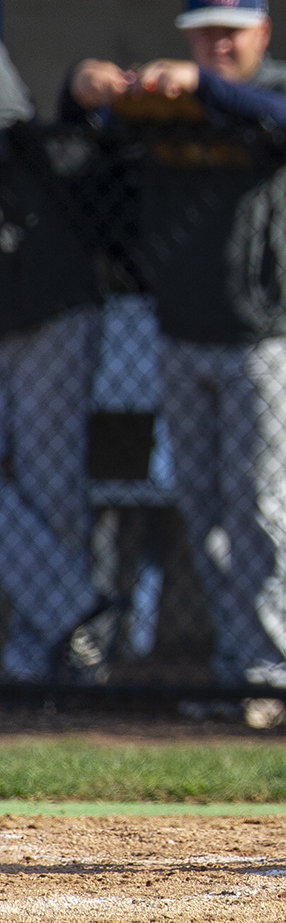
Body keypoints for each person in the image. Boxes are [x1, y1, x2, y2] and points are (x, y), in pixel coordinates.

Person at [63, 0, 286, 728]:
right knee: (205, 504)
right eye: (203, 34)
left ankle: (268, 675)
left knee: (256, 497)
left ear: (261, 32)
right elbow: (88, 140)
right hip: (183, 333)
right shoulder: (166, 102)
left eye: (230, 31)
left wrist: (200, 86)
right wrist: (86, 89)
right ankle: (234, 669)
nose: (217, 45)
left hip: (276, 336)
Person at [0, 40, 108, 684]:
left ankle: (44, 655)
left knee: (51, 484)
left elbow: (14, 120)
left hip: (49, 301)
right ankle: (71, 612)